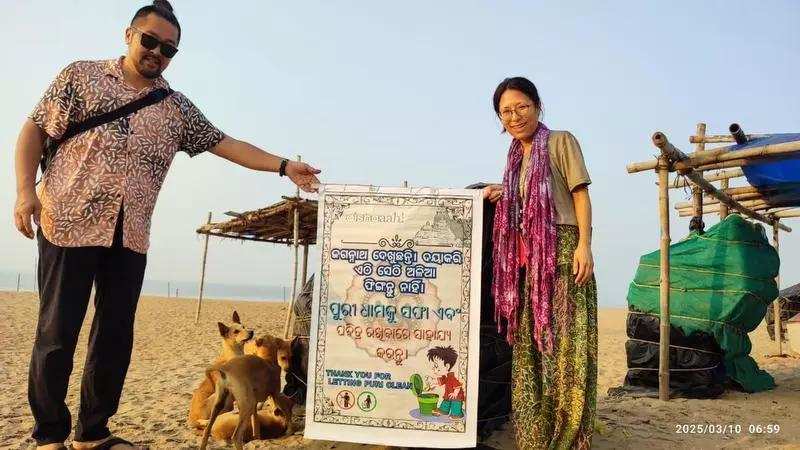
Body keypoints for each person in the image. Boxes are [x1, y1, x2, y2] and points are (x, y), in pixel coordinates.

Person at [12, 2, 321, 449]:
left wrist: (284, 166)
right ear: (129, 35)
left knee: (115, 337)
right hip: (69, 220)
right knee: (57, 333)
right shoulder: (80, 76)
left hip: (130, 234)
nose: (157, 52)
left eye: (169, 49)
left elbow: (226, 143)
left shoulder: (176, 109)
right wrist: (25, 191)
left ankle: (93, 433)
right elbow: (33, 130)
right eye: (150, 40)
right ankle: (49, 436)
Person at [483, 77, 597, 449]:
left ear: (537, 106)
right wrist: (501, 192)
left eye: (521, 107)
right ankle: (537, 436)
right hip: (527, 264)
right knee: (530, 349)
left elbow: (579, 195)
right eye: (506, 111)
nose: (514, 116)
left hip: (562, 255)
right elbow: (526, 201)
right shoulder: (514, 158)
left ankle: (568, 435)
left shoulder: (561, 141)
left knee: (565, 350)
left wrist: (584, 245)